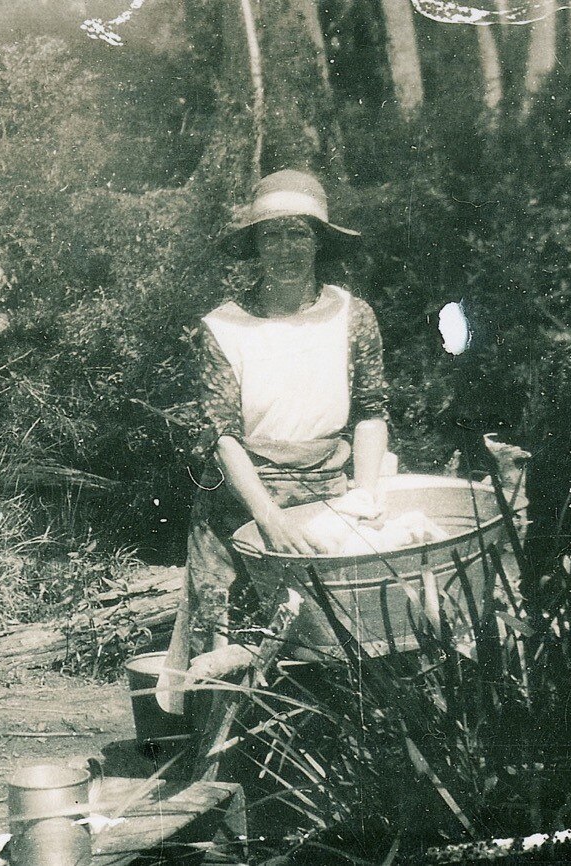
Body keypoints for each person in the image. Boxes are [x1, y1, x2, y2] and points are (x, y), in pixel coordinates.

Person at [184, 169, 391, 651]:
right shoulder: (223, 326)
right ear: (255, 247)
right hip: (243, 506)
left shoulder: (351, 315)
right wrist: (269, 518)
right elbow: (222, 436)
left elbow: (371, 411)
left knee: (331, 649)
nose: (285, 249)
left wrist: (365, 495)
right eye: (271, 236)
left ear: (319, 242)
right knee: (229, 659)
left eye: (298, 233)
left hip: (329, 499)